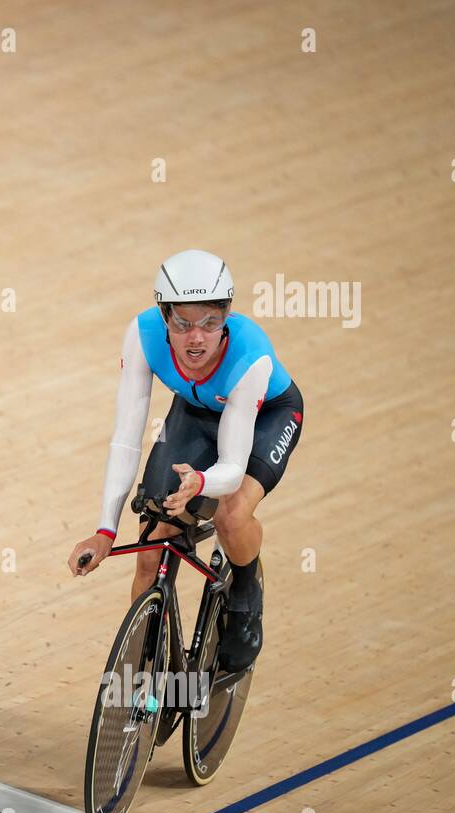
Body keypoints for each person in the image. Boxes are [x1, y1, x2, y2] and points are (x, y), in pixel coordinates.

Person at [66, 250, 303, 671]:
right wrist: (105, 529)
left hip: (265, 416)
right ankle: (143, 672)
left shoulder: (251, 358)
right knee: (150, 548)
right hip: (195, 415)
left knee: (230, 514)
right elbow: (126, 437)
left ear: (227, 316)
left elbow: (231, 466)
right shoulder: (142, 335)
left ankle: (246, 594)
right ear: (164, 316)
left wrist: (201, 485)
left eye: (211, 323)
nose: (197, 338)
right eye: (183, 324)